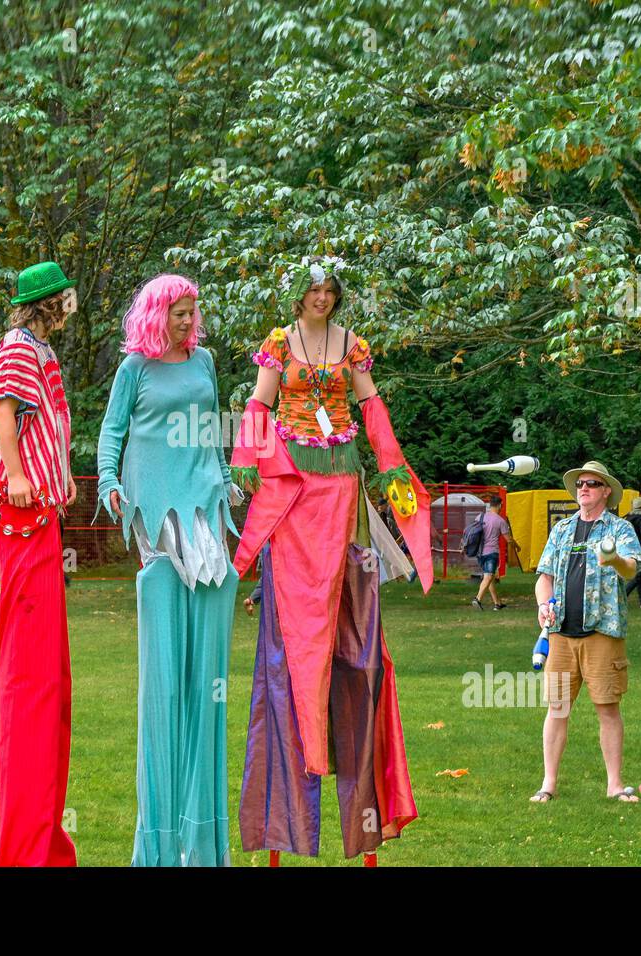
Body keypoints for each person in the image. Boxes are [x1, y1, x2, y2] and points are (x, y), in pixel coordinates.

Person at [229, 254, 431, 862]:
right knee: (296, 632)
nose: (322, 297)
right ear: (298, 295)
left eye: (329, 289)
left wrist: (393, 473)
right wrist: (246, 467)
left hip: (341, 488)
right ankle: (290, 800)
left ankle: (349, 793)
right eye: (313, 289)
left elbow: (373, 411)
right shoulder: (278, 343)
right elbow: (259, 408)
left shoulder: (353, 346)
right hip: (292, 490)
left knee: (346, 628)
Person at [96, 274, 238, 866]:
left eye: (192, 312)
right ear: (156, 314)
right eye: (178, 313)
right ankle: (156, 845)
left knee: (209, 681)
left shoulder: (204, 361)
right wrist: (107, 481)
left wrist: (227, 475)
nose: (187, 322)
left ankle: (203, 842)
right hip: (158, 521)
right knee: (163, 682)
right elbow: (112, 432)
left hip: (206, 516)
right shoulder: (134, 369)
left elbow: (211, 433)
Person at [0, 260, 80, 867]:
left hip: (41, 507)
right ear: (47, 302)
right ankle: (24, 844)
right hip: (25, 509)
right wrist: (15, 476)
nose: (70, 307)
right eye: (64, 299)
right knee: (30, 667)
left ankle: (40, 833)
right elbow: (4, 417)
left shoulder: (37, 348)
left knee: (46, 670)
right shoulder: (17, 348)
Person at [530, 460, 641, 804]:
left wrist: (613, 560)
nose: (584, 489)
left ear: (606, 491)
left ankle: (614, 784)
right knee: (557, 708)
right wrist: (542, 604)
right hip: (561, 634)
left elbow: (630, 569)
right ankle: (548, 784)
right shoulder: (562, 529)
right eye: (580, 484)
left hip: (602, 633)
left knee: (607, 708)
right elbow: (544, 575)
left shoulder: (619, 529)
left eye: (592, 484)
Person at [471, 497, 513, 610]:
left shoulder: (480, 517)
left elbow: (471, 533)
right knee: (489, 576)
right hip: (491, 553)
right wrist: (517, 546)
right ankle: (478, 599)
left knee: (489, 577)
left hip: (480, 553)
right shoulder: (500, 521)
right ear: (499, 505)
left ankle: (497, 604)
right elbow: (508, 539)